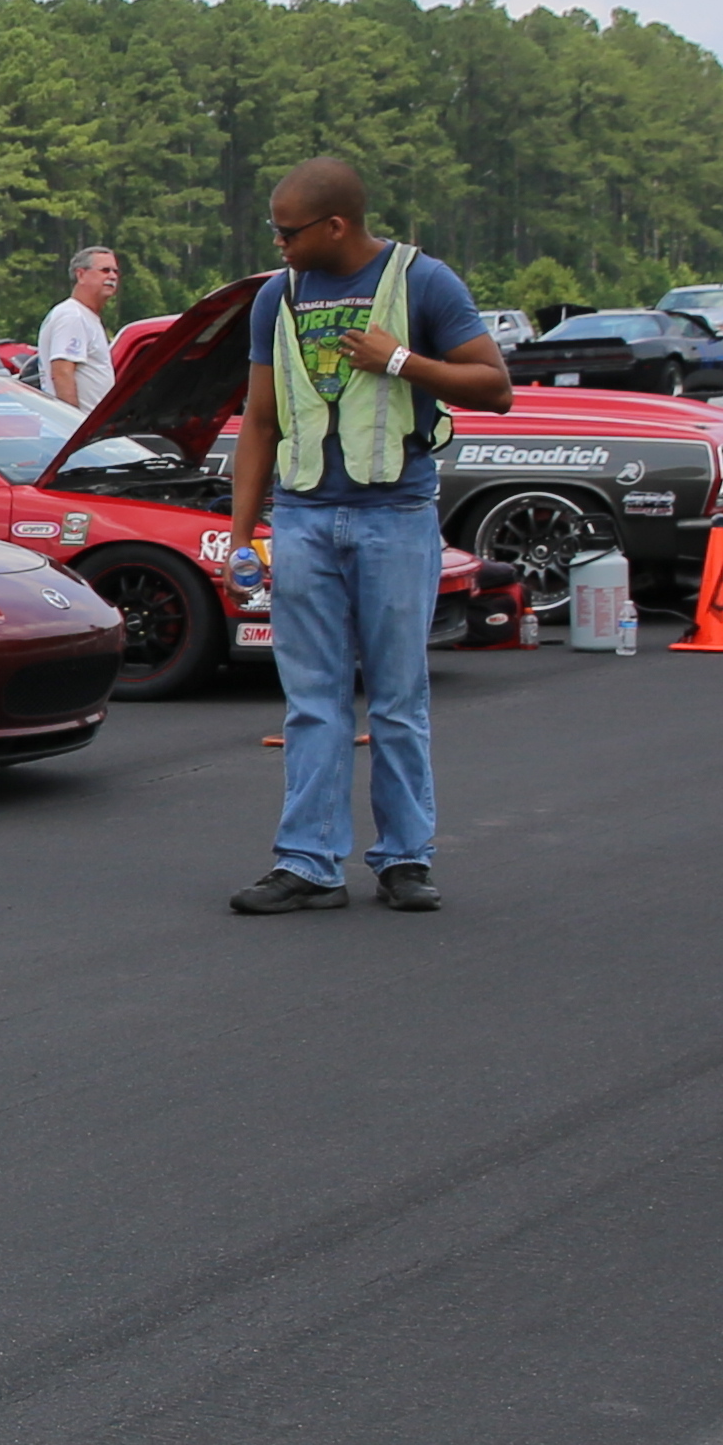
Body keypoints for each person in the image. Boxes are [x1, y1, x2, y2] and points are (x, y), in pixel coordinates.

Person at [222, 160, 506, 915]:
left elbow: (496, 386)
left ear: (336, 225)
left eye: (288, 231)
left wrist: (401, 360)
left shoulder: (422, 282)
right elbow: (259, 420)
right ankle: (308, 863)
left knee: (397, 699)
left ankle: (405, 858)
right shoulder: (277, 297)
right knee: (312, 703)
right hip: (303, 518)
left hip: (395, 516)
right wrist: (241, 537)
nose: (279, 243)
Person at [37, 247, 124, 407]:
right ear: (81, 275)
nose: (112, 276)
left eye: (115, 271)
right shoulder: (72, 316)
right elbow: (62, 373)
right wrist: (73, 418)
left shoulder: (87, 316)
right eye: (105, 270)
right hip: (77, 420)